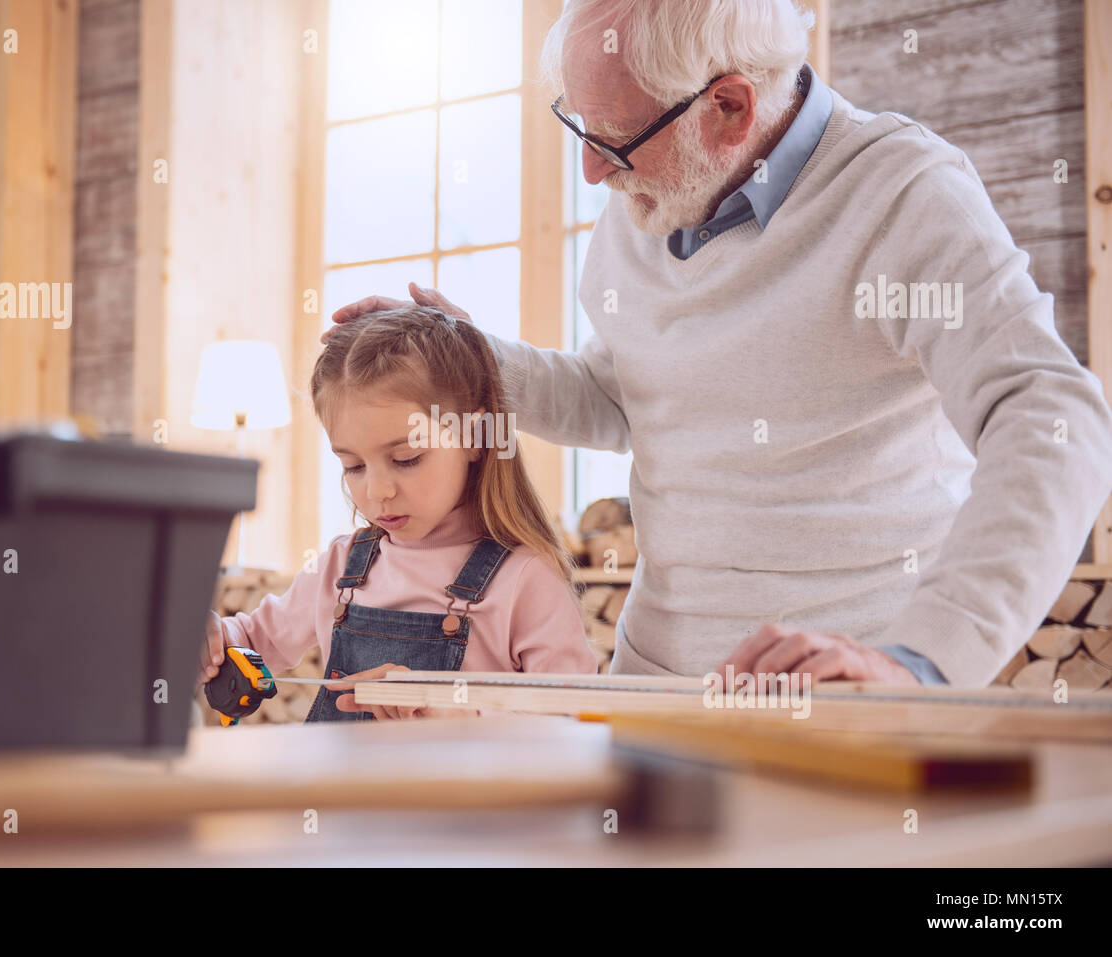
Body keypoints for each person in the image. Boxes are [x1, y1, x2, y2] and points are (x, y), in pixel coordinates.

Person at [327, 0, 1112, 688]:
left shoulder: (903, 194)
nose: (592, 171)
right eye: (579, 126)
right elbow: (620, 398)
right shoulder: (653, 187)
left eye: (616, 140)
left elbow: (1051, 414)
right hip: (654, 682)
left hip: (849, 691)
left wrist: (922, 662)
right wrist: (472, 358)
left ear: (730, 106)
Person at [200, 306, 597, 721]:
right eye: (353, 466)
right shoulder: (340, 565)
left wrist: (459, 719)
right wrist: (212, 639)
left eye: (407, 458)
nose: (377, 491)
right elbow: (248, 641)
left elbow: (570, 724)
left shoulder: (526, 581)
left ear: (477, 437)